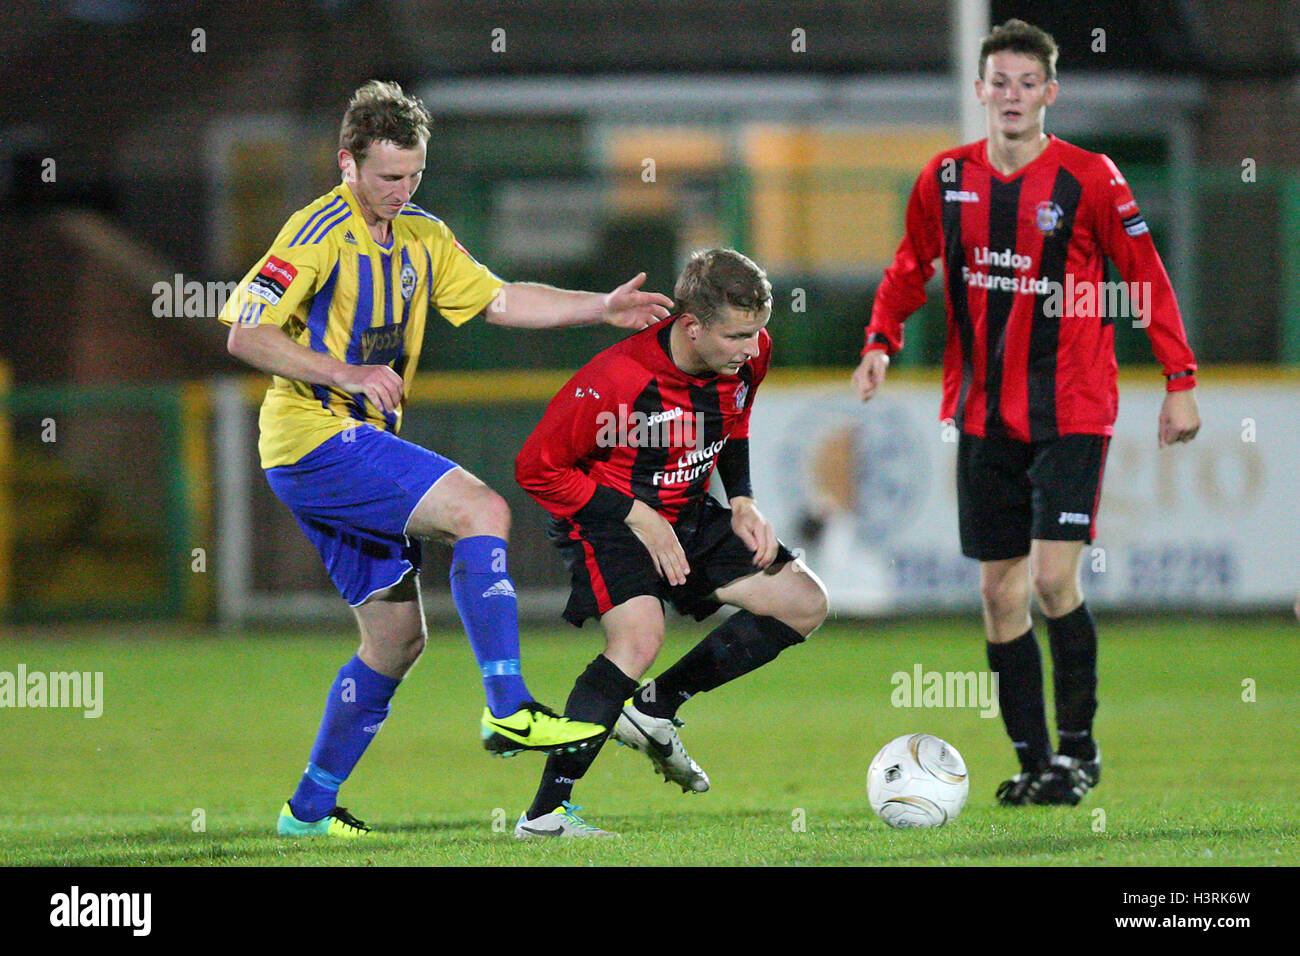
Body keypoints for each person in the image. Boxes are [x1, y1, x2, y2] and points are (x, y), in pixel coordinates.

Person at [217, 80, 672, 838]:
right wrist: (345, 372)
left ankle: (307, 812)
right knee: (480, 509)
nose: (401, 190)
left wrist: (600, 307)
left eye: (414, 175)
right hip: (315, 435)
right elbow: (243, 332)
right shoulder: (316, 231)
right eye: (389, 176)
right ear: (348, 164)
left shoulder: (423, 235)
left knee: (395, 642)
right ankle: (508, 705)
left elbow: (498, 300)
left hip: (346, 447)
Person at [851, 20, 1201, 806]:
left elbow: (1143, 275)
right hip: (981, 416)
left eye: (1025, 83)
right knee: (998, 595)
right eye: (997, 82)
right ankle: (1035, 759)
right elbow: (911, 264)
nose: (1011, 96)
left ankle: (1078, 751)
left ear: (1050, 92)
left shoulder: (1091, 178)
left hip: (1073, 407)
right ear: (979, 90)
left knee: (1050, 581)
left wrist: (1180, 376)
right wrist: (881, 337)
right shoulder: (946, 178)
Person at [512, 248, 829, 838]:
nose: (750, 347)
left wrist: (743, 499)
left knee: (805, 602)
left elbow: (733, 420)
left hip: (686, 510)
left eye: (757, 332)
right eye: (736, 335)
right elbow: (536, 468)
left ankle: (655, 707)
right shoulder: (616, 378)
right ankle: (544, 815)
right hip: (607, 518)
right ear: (690, 326)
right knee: (639, 638)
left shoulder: (748, 354)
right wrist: (637, 515)